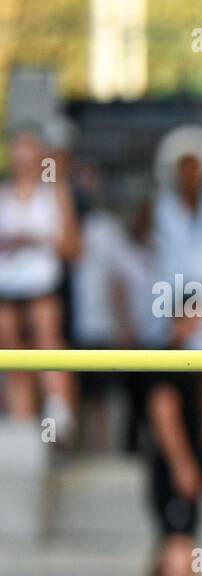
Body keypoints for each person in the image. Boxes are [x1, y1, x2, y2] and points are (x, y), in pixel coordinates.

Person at [0, 128, 79, 431]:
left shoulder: (53, 195)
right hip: (8, 289)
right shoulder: (4, 197)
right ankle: (22, 426)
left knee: (47, 341)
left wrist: (36, 240)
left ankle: (57, 416)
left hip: (41, 287)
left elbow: (72, 247)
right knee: (15, 360)